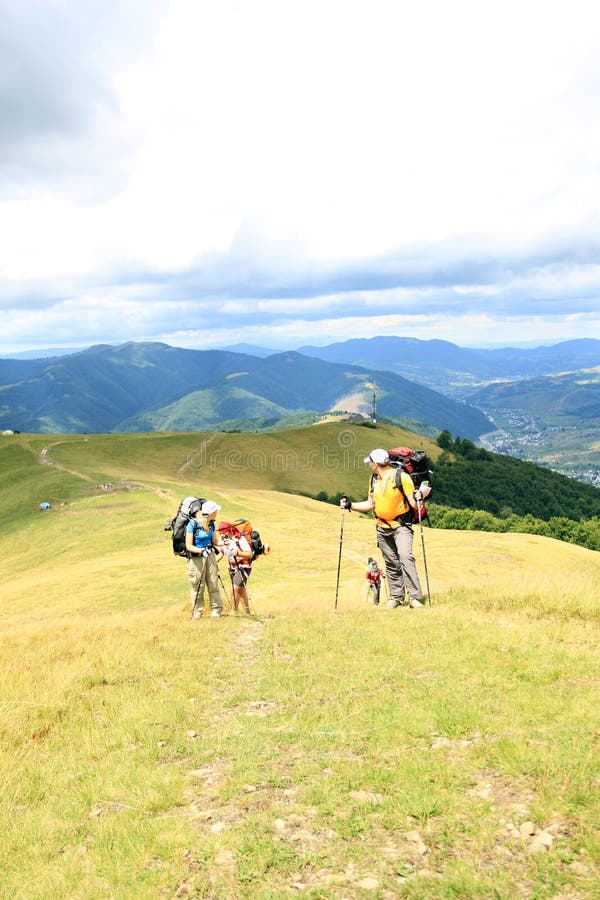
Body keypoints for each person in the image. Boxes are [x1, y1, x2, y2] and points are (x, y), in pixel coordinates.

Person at [341, 448, 424, 609]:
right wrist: (350, 505)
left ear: (376, 464)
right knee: (391, 562)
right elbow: (370, 504)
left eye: (370, 462)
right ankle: (396, 597)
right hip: (381, 527)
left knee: (406, 557)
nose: (369, 465)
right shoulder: (373, 479)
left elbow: (414, 505)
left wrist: (419, 498)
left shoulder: (401, 477)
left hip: (401, 526)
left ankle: (414, 597)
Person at [185, 500, 224, 619]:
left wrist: (224, 542)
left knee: (213, 583)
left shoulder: (212, 524)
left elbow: (214, 541)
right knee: (198, 585)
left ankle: (216, 610)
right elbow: (188, 546)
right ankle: (197, 612)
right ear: (211, 512)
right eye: (216, 511)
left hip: (210, 555)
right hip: (197, 558)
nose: (217, 513)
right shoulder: (192, 524)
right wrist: (201, 550)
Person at [217, 521, 253, 614]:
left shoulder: (240, 539)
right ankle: (247, 612)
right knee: (241, 590)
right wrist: (214, 562)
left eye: (223, 532)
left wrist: (238, 553)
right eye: (220, 533)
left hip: (244, 566)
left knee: (234, 588)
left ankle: (233, 612)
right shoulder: (223, 541)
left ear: (230, 530)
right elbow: (221, 553)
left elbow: (249, 554)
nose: (222, 535)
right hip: (232, 567)